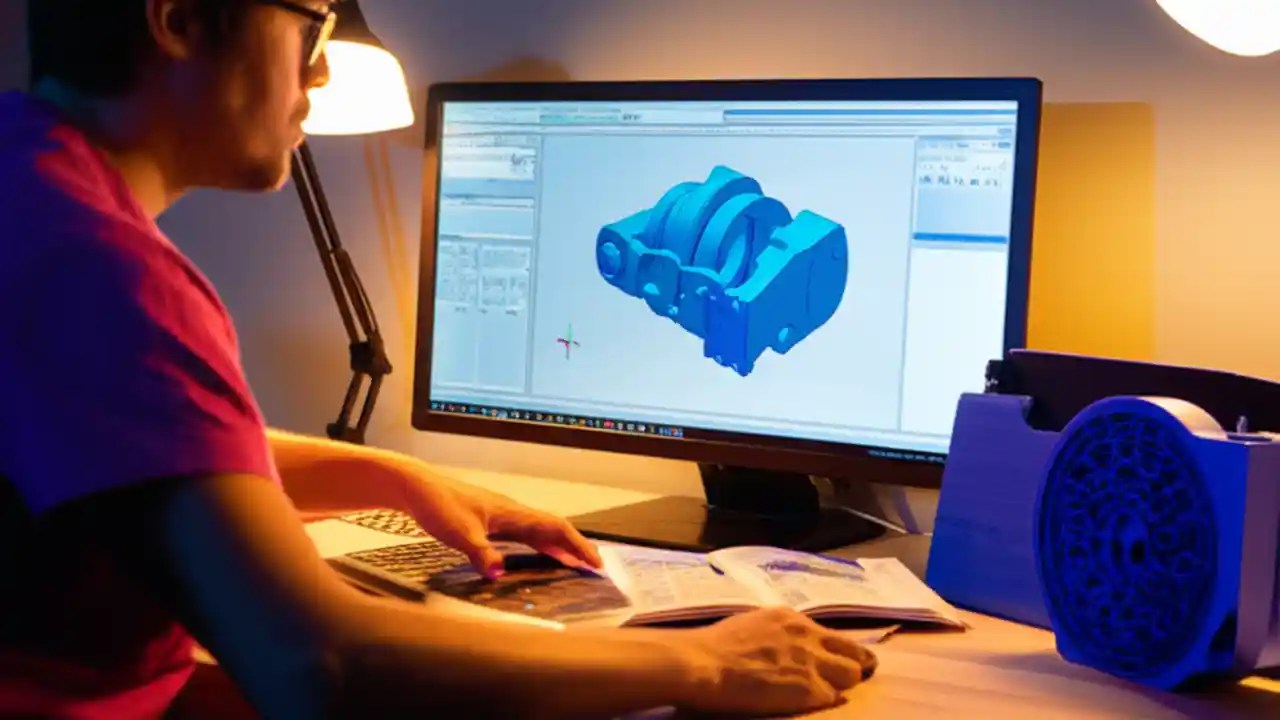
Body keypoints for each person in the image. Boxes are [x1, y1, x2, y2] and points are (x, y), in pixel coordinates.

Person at [0, 1, 877, 718]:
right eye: (311, 26)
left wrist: (397, 477)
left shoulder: (28, 184)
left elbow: (136, 440)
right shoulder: (107, 273)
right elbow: (322, 666)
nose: (318, 73)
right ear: (179, 18)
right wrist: (701, 664)